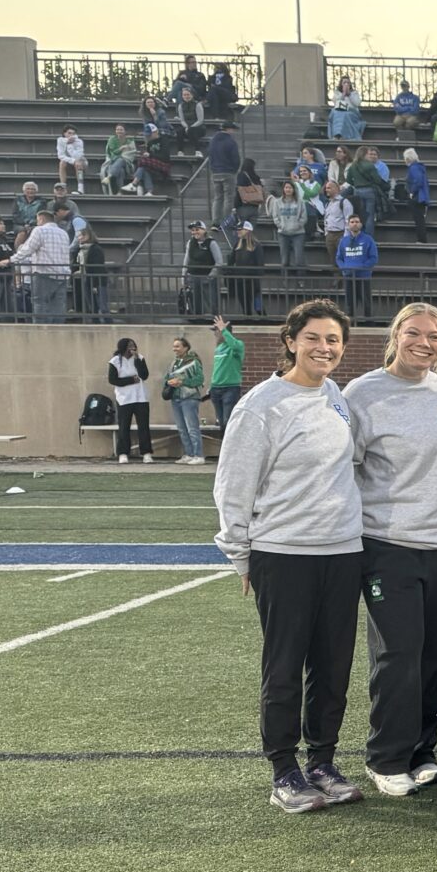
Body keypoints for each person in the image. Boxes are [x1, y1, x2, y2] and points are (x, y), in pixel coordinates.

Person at [212, 300, 366, 813]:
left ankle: (322, 761)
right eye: (315, 339)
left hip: (343, 551)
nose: (325, 349)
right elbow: (233, 486)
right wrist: (241, 556)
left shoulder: (338, 398)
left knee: (333, 664)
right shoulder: (262, 405)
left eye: (334, 341)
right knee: (284, 667)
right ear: (291, 340)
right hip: (285, 554)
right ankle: (284, 770)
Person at [345, 303, 437, 797]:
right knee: (398, 652)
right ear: (395, 336)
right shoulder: (364, 393)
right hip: (387, 543)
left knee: (435, 654)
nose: (425, 343)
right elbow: (346, 469)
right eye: (414, 333)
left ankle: (421, 750)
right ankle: (386, 756)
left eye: (435, 336)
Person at [7, 208, 72, 323]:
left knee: (39, 302)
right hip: (62, 274)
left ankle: (41, 330)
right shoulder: (64, 233)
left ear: (41, 219)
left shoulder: (39, 230)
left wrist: (11, 260)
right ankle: (58, 331)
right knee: (58, 305)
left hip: (43, 272)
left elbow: (27, 249)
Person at [162, 335, 206, 465]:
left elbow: (199, 379)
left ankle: (198, 455)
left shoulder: (194, 362)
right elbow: (167, 377)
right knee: (182, 428)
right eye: (174, 346)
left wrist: (182, 381)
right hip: (176, 398)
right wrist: (170, 382)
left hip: (189, 398)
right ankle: (189, 453)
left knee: (192, 427)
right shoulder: (174, 363)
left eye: (177, 346)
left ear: (185, 348)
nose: (174, 349)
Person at [107, 338, 153, 462]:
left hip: (141, 397)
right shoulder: (115, 361)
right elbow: (113, 380)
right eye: (129, 346)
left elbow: (144, 375)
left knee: (143, 426)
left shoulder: (140, 358)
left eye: (133, 345)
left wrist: (137, 359)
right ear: (123, 347)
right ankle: (123, 453)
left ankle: (146, 453)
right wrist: (130, 380)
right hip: (124, 398)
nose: (132, 348)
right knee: (124, 426)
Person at [334, 213, 377, 321]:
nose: (354, 224)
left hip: (363, 276)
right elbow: (339, 258)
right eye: (352, 222)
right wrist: (344, 268)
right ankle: (350, 325)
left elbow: (373, 258)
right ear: (348, 225)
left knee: (366, 302)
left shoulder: (368, 239)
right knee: (350, 303)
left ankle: (369, 323)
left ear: (361, 224)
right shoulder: (343, 241)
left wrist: (362, 268)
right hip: (348, 276)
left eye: (357, 222)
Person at [205, 122, 240, 227]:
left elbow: (210, 156)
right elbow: (236, 159)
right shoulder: (231, 142)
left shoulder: (213, 141)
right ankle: (226, 221)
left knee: (218, 197)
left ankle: (215, 221)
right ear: (228, 129)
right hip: (228, 171)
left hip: (215, 172)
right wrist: (234, 170)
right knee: (229, 197)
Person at [268, 181, 307, 274]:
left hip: (298, 233)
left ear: (293, 189)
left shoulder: (300, 202)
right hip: (283, 233)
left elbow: (304, 217)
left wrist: (297, 225)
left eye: (290, 187)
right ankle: (285, 278)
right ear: (283, 189)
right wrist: (281, 225)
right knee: (285, 260)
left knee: (299, 258)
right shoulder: (277, 202)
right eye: (286, 187)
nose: (288, 189)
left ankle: (301, 279)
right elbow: (275, 216)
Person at [226, 221, 264, 318]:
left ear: (247, 230)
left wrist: (256, 276)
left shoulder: (256, 245)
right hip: (240, 280)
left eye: (240, 229)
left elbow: (260, 263)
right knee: (245, 305)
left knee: (258, 306)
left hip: (252, 280)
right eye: (237, 229)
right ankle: (248, 319)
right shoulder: (237, 245)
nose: (238, 231)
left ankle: (265, 320)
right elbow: (231, 261)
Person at [71, 225, 108, 320]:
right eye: (78, 236)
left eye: (81, 236)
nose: (79, 238)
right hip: (86, 279)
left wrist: (94, 284)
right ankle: (96, 321)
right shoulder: (79, 250)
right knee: (91, 304)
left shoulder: (96, 249)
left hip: (97, 280)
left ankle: (106, 322)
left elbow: (97, 267)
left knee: (102, 305)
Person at [401, 147, 431, 241]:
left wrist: (411, 192)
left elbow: (418, 181)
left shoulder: (413, 168)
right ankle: (422, 239)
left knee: (419, 219)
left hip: (417, 197)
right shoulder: (420, 167)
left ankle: (422, 239)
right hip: (422, 197)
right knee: (420, 219)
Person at [320, 181, 352, 263]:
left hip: (340, 234)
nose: (326, 190)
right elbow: (326, 219)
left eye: (329, 188)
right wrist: (326, 233)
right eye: (326, 188)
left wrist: (346, 236)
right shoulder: (328, 204)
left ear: (336, 189)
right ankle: (336, 275)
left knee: (343, 259)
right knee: (333, 260)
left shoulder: (344, 202)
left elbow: (348, 220)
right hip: (330, 235)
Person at [170, 87, 208, 153]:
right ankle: (180, 151)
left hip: (198, 126)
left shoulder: (197, 105)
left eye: (188, 94)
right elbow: (182, 120)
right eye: (184, 95)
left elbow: (200, 120)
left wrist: (190, 127)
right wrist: (186, 127)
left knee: (192, 131)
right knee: (179, 132)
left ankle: (197, 150)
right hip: (187, 126)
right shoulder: (180, 106)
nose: (186, 96)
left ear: (192, 95)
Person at [100, 127, 136, 195]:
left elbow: (131, 154)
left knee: (121, 160)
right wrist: (121, 149)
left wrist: (121, 155)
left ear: (125, 131)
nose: (119, 131)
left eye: (121, 130)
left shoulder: (130, 140)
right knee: (120, 171)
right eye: (117, 130)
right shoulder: (112, 139)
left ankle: (108, 177)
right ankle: (120, 192)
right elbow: (111, 153)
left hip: (127, 164)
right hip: (113, 163)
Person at [328, 76, 364, 142]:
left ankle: (344, 136)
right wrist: (343, 95)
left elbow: (357, 103)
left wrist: (349, 95)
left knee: (345, 115)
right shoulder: (337, 93)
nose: (346, 84)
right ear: (341, 84)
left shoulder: (354, 93)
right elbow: (335, 103)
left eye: (348, 82)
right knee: (337, 114)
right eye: (344, 82)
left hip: (352, 112)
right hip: (339, 111)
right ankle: (337, 135)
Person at [56, 127, 87, 193]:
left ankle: (80, 189)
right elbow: (61, 155)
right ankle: (63, 187)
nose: (71, 135)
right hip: (69, 164)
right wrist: (73, 161)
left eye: (73, 133)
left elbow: (78, 156)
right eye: (69, 133)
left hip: (81, 162)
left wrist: (69, 145)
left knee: (79, 162)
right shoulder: (60, 140)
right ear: (64, 133)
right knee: (62, 163)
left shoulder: (79, 141)